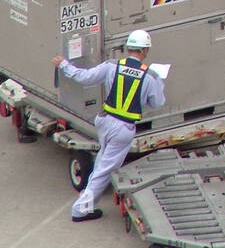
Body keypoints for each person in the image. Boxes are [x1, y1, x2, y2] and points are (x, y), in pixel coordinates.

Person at [53, 29, 166, 222]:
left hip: (104, 120)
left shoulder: (112, 66)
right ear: (145, 51)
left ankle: (87, 202)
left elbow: (83, 77)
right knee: (105, 169)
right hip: (123, 128)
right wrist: (160, 82)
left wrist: (64, 64)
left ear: (128, 47)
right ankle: (80, 210)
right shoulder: (150, 76)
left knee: (101, 162)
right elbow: (156, 103)